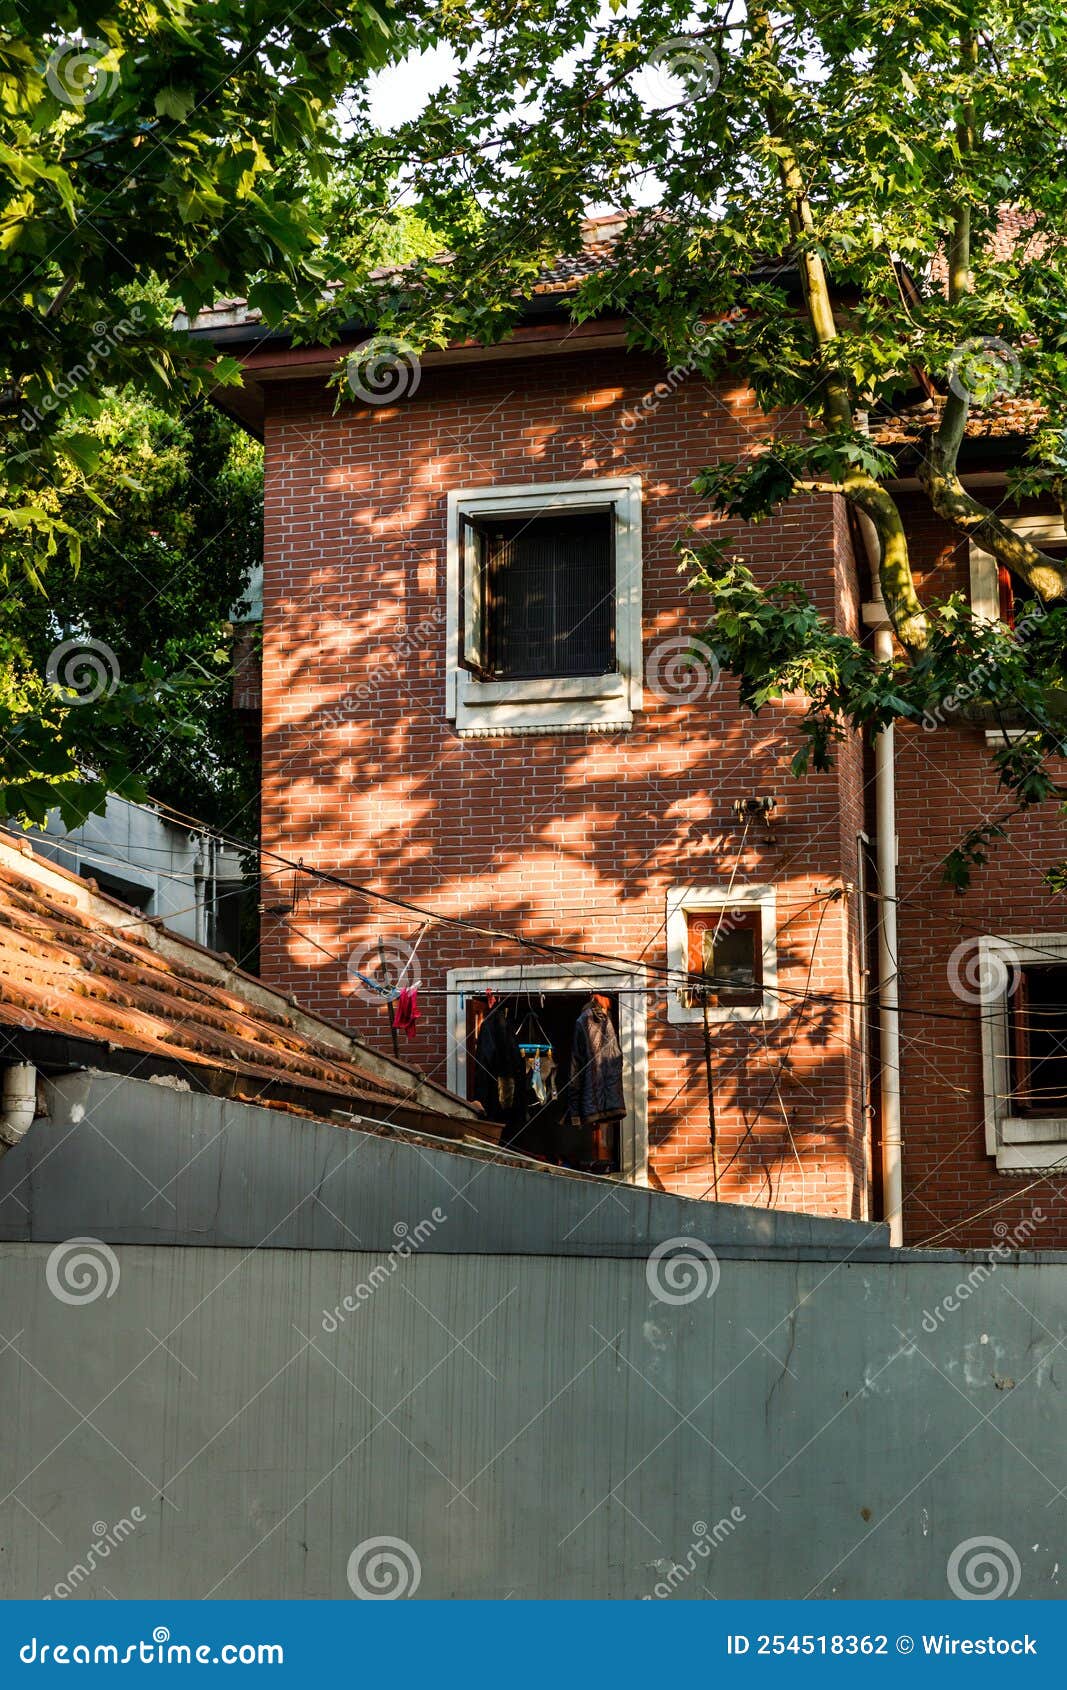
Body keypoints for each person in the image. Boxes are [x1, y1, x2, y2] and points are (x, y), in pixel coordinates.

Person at [568, 992, 625, 1173]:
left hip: (596, 1099)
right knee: (600, 1141)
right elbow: (577, 1064)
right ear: (600, 997)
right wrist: (576, 1110)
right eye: (607, 998)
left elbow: (576, 1064)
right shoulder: (590, 1020)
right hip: (599, 1100)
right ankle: (602, 1165)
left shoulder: (597, 1020)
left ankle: (603, 1164)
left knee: (603, 1136)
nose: (610, 1002)